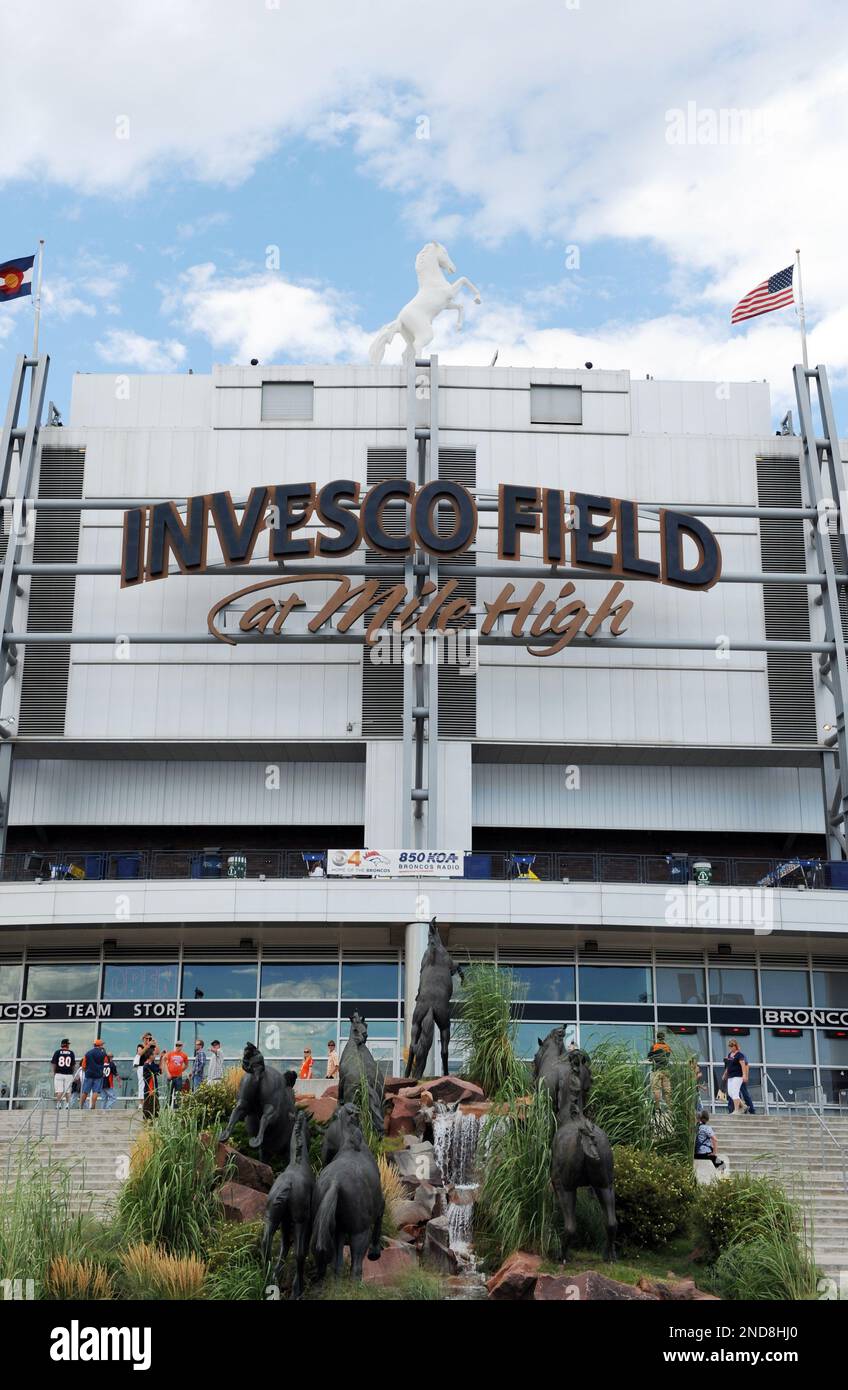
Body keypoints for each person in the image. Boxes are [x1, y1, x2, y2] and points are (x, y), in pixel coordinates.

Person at [720, 1038, 750, 1116]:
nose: (731, 1047)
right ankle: (743, 1106)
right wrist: (725, 1074)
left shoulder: (740, 1055)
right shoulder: (730, 1055)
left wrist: (744, 1075)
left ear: (736, 1046)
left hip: (738, 1076)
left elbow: (743, 1065)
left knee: (735, 1093)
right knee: (730, 1093)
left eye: (732, 1046)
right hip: (730, 1076)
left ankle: (736, 1110)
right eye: (729, 1046)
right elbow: (728, 1066)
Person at [80, 1037, 107, 1111]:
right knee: (95, 1091)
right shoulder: (103, 1054)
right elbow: (106, 1062)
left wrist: (86, 1071)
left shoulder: (88, 1053)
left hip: (89, 1074)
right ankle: (93, 1106)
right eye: (102, 1045)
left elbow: (83, 1065)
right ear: (100, 1045)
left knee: (85, 1091)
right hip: (98, 1075)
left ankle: (81, 1106)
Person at [647, 1031, 672, 1108]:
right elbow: (668, 1056)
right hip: (666, 1071)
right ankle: (669, 1108)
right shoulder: (667, 1047)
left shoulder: (654, 1047)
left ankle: (657, 1108)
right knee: (667, 1091)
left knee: (656, 1090)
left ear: (657, 1038)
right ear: (664, 1038)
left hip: (656, 1070)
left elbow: (649, 1058)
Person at [162, 1040, 190, 1105]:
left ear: (182, 1046)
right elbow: (164, 1060)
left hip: (178, 1077)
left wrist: (181, 1070)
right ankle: (167, 1109)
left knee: (178, 1094)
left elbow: (186, 1065)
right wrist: (167, 1073)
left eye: (179, 1045)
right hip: (170, 1077)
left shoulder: (184, 1055)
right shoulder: (170, 1053)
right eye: (176, 1045)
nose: (177, 1047)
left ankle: (176, 1109)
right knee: (169, 1094)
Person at [50, 1038, 75, 1109]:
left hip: (59, 1073)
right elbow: (73, 1065)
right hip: (68, 1074)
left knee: (59, 1091)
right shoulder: (71, 1053)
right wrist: (72, 1073)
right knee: (68, 1090)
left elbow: (54, 1064)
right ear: (67, 1045)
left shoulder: (57, 1052)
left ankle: (58, 1104)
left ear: (62, 1045)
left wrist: (54, 1072)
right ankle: (67, 1105)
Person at [140, 1041, 160, 1121]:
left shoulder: (151, 1064)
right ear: (150, 1056)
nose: (155, 1056)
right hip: (150, 1089)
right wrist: (162, 1058)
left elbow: (159, 1070)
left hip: (153, 1088)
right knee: (148, 1105)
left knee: (155, 1106)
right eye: (153, 1054)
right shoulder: (147, 1065)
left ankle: (153, 1118)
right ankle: (147, 1120)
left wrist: (162, 1058)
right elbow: (158, 1070)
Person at [132, 1043, 147, 1107]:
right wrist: (146, 1046)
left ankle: (146, 1102)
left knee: (147, 1085)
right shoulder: (141, 1046)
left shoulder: (149, 1047)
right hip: (141, 1067)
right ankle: (141, 1103)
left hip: (147, 1067)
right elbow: (140, 1053)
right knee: (141, 1084)